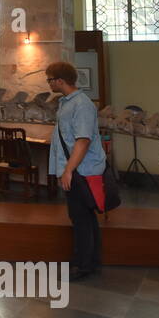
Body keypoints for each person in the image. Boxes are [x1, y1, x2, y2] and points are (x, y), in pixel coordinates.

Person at [46, 61, 109, 281]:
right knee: (83, 216)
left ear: (59, 80)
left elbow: (83, 140)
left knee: (82, 217)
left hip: (82, 170)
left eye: (50, 79)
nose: (49, 83)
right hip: (76, 169)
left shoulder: (81, 105)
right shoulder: (65, 103)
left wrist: (69, 171)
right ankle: (87, 260)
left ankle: (84, 265)